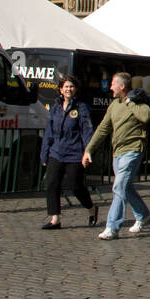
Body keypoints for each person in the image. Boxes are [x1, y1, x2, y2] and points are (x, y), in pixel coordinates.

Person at [82, 72, 150, 240]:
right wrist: (89, 150)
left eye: (113, 83)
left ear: (122, 86)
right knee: (126, 187)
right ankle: (144, 215)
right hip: (118, 152)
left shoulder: (137, 101)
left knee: (118, 187)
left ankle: (112, 227)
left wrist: (130, 103)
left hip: (133, 150)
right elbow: (103, 129)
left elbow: (146, 116)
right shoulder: (114, 105)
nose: (110, 86)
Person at [39, 75, 97, 230]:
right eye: (66, 87)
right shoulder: (56, 107)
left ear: (75, 89)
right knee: (52, 183)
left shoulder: (81, 107)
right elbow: (48, 132)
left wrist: (88, 151)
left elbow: (87, 131)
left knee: (75, 185)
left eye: (71, 86)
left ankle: (91, 209)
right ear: (60, 89)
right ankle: (55, 219)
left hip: (74, 153)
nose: (68, 89)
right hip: (56, 152)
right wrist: (44, 154)